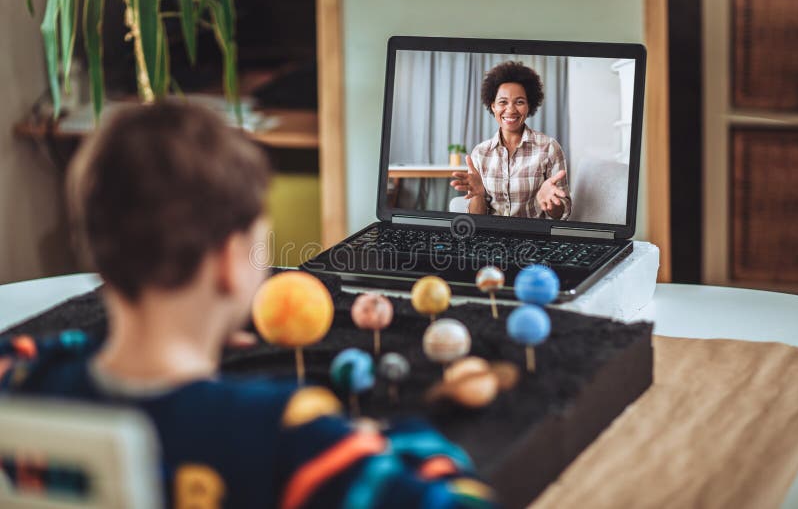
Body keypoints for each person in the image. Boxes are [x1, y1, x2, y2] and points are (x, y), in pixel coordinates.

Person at [0, 102, 496, 508]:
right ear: (228, 264)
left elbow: (23, 350)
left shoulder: (28, 382)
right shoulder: (291, 436)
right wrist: (390, 436)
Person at [451, 61, 571, 219]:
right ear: (493, 106)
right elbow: (476, 218)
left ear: (529, 106)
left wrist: (551, 203)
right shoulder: (480, 153)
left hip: (534, 237)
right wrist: (478, 195)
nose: (511, 110)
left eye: (519, 102)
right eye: (503, 102)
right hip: (493, 236)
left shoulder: (549, 148)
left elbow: (562, 214)